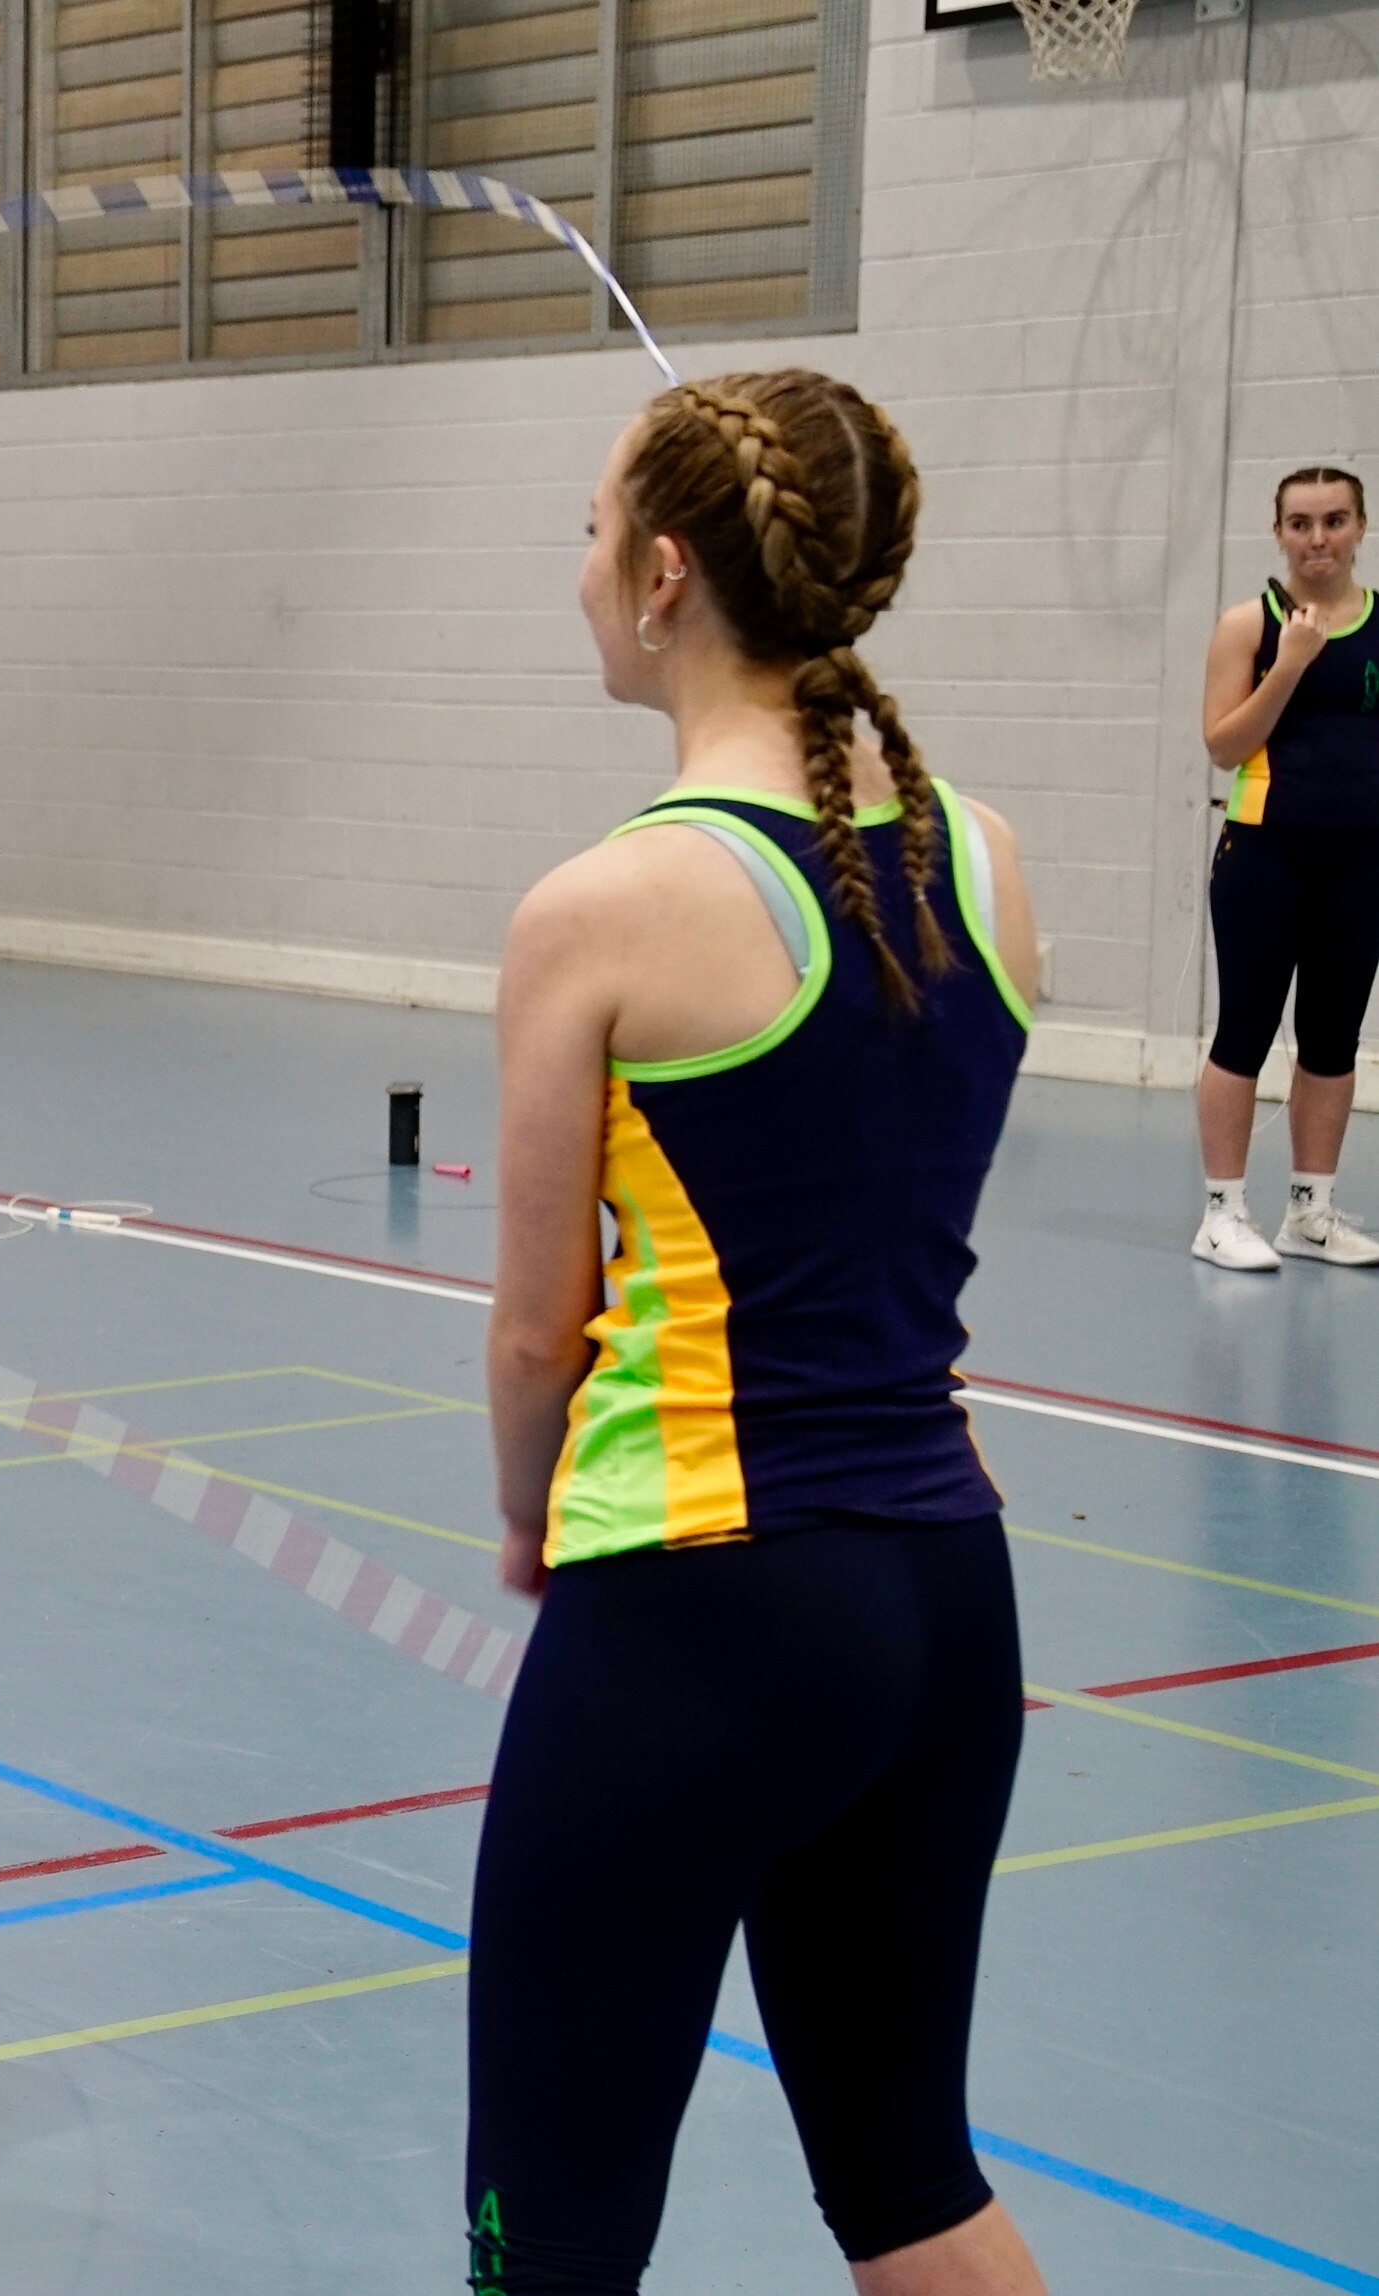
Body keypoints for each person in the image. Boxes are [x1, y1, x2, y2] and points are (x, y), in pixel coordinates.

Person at [477, 370, 1050, 2296]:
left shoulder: (605, 905)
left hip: (698, 1607)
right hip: (945, 1599)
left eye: (582, 532)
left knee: (540, 2238)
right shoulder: (981, 857)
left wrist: (524, 1513)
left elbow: (535, 1330)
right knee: (907, 2180)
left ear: (658, 578)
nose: (570, 574)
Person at [1190, 466, 1379, 1270]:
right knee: (1244, 1031)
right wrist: (1292, 662)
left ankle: (1310, 1209)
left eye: (1333, 521)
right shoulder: (1249, 625)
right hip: (1263, 853)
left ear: (1360, 527)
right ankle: (1221, 1213)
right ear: (1276, 533)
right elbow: (1222, 745)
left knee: (1332, 1040)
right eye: (1299, 523)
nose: (1317, 538)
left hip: (1360, 859)